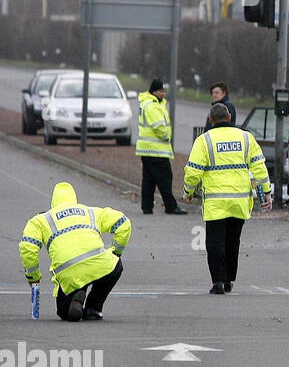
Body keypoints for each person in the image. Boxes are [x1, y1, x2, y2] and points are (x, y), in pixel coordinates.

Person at [184, 104, 273, 295]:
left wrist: (188, 192)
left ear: (211, 120)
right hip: (239, 201)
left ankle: (217, 282)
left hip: (216, 203)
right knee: (233, 241)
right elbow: (259, 167)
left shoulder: (204, 140)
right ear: (230, 116)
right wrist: (266, 192)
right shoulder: (246, 137)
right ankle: (229, 280)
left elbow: (193, 171)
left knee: (215, 243)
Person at [20, 182, 132, 321]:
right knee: (115, 265)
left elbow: (28, 247)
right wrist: (115, 252)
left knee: (64, 312)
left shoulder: (40, 220)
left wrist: (33, 277)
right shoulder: (90, 212)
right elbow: (123, 223)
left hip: (69, 273)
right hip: (100, 264)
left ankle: (77, 295)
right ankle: (93, 309)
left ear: (53, 202)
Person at [136, 79, 186, 215]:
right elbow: (159, 126)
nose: (163, 94)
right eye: (161, 91)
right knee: (165, 178)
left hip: (147, 149)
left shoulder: (147, 103)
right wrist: (166, 136)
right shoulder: (152, 105)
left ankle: (146, 207)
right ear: (155, 91)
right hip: (156, 150)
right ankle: (171, 206)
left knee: (149, 180)